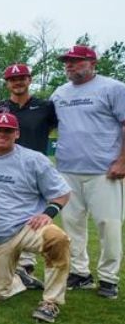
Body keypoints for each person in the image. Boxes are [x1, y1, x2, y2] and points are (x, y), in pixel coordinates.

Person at [0, 112, 72, 323]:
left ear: (17, 134)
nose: (2, 134)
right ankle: (19, 277)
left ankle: (51, 302)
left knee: (58, 239)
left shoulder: (34, 159)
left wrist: (48, 213)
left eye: (8, 131)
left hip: (26, 226)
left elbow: (62, 193)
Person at [50, 45, 125, 298]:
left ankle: (108, 278)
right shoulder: (60, 92)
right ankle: (80, 273)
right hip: (67, 169)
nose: (69, 65)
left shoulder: (113, 88)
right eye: (67, 61)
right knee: (72, 226)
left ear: (92, 63)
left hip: (104, 170)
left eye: (75, 61)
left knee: (108, 225)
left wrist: (122, 160)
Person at [0, 62, 58, 282]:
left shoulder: (45, 106)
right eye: (12, 79)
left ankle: (26, 267)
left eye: (22, 77)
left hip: (35, 166)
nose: (18, 82)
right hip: (6, 166)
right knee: (9, 210)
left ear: (29, 80)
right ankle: (12, 263)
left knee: (34, 211)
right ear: (7, 83)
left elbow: (54, 127)